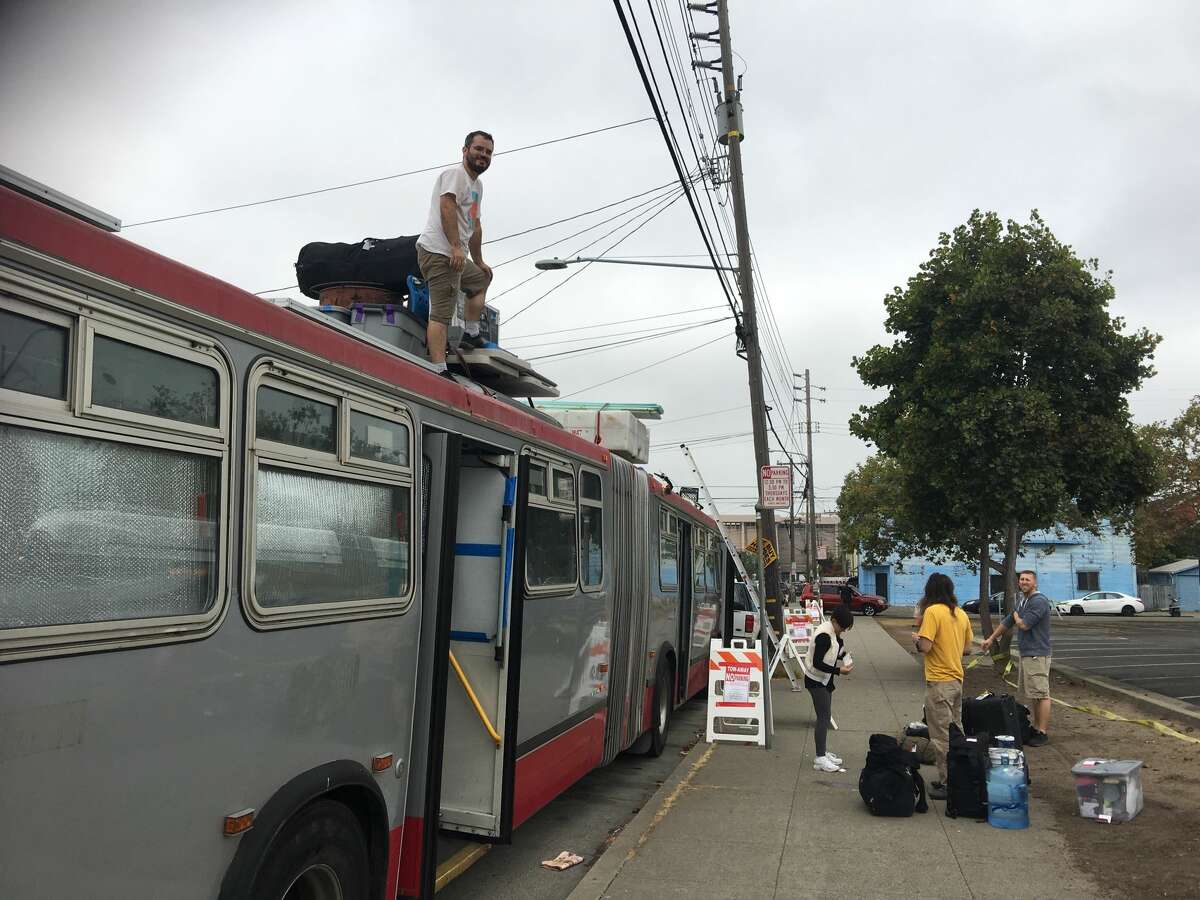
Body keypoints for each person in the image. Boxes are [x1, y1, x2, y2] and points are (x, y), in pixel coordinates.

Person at [415, 130, 495, 375]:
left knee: (481, 279)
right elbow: (446, 206)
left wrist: (479, 261)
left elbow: (475, 224)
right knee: (441, 314)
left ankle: (471, 334)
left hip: (455, 254)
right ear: (465, 150)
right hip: (440, 253)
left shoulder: (477, 186)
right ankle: (439, 369)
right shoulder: (454, 175)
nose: (483, 155)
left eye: (488, 152)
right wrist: (455, 247)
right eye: (479, 149)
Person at [912, 573, 974, 800]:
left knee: (941, 737)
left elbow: (925, 647)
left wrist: (916, 639)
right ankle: (960, 777)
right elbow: (967, 649)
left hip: (938, 681)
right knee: (957, 732)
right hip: (957, 680)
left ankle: (950, 783)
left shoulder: (932, 612)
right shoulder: (960, 613)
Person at [981, 570, 1052, 747]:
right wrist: (991, 639)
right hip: (1027, 654)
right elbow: (1008, 621)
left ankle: (1042, 732)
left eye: (1028, 580)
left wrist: (1016, 616)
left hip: (1038, 654)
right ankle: (1036, 728)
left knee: (1042, 694)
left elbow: (1024, 625)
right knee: (1033, 694)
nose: (1024, 582)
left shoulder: (1039, 601)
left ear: (1035, 583)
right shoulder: (1023, 600)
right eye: (1022, 579)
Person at [802, 603, 855, 773]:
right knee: (823, 718)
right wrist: (839, 670)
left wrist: (846, 656)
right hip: (816, 681)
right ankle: (819, 758)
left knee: (825, 716)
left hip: (824, 681)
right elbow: (818, 663)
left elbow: (837, 649)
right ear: (833, 621)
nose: (843, 630)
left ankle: (823, 752)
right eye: (842, 627)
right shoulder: (824, 636)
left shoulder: (833, 632)